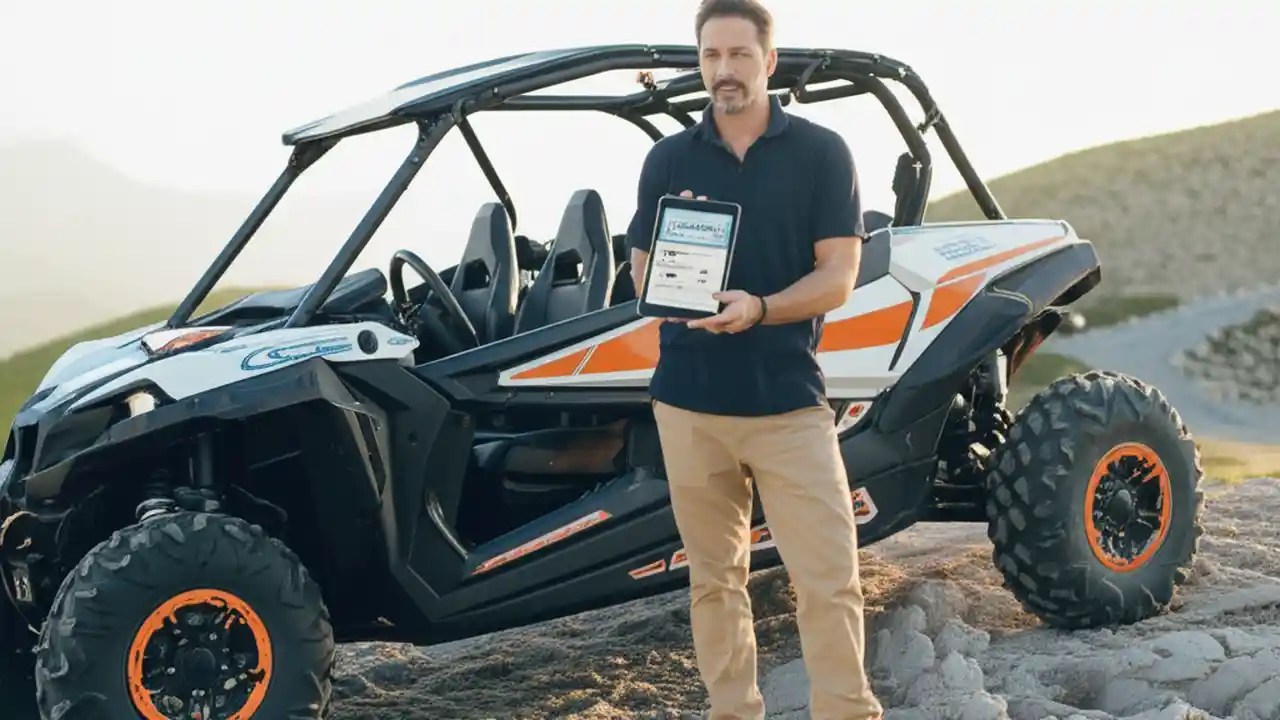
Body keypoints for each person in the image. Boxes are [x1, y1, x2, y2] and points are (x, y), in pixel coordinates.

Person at [623, 1, 883, 718]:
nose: (724, 71)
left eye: (739, 55)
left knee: (828, 576)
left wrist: (760, 308)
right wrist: (669, 268)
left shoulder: (821, 153)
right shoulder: (668, 159)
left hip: (787, 403)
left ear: (769, 61)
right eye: (711, 56)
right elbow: (642, 272)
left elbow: (839, 276)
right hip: (688, 405)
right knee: (714, 581)